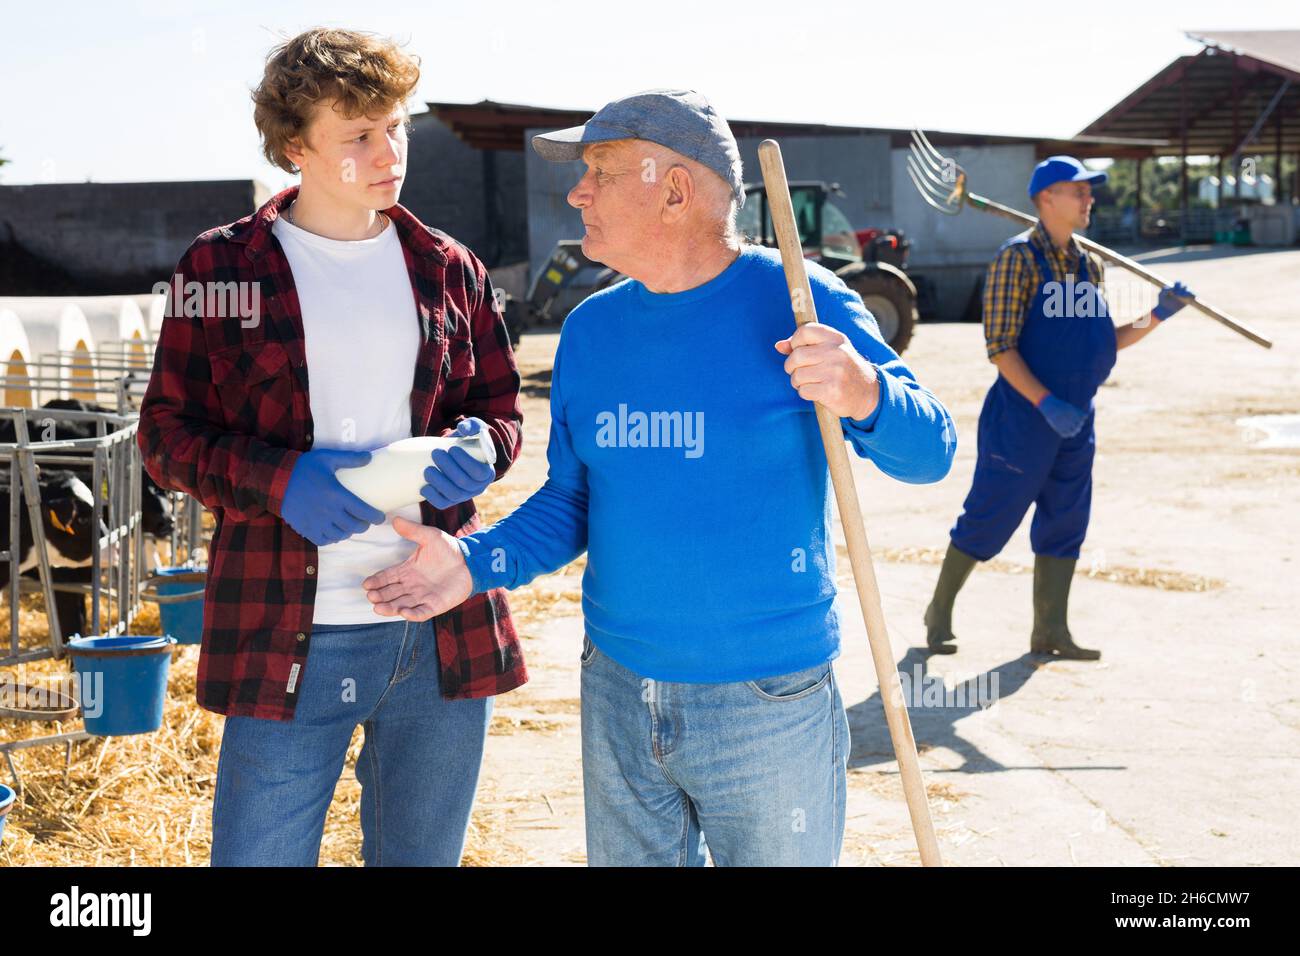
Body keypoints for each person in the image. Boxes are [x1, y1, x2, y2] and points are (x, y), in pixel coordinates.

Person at [359, 89, 957, 866]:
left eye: (600, 171)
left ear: (675, 189)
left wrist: (864, 392)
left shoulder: (801, 300)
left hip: (767, 700)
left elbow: (932, 451)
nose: (577, 192)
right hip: (617, 689)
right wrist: (474, 563)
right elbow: (573, 501)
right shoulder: (591, 330)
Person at [136, 27, 527, 866]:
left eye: (397, 127)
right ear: (294, 148)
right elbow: (165, 437)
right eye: (358, 135)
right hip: (288, 627)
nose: (389, 152)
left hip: (438, 620)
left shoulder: (449, 268)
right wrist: (279, 482)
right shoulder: (221, 266)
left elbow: (500, 408)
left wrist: (481, 448)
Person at [922, 156, 1194, 660]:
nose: (1089, 199)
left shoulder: (1088, 265)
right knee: (990, 515)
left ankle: (1051, 631)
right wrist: (1045, 401)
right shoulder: (1018, 260)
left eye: (1090, 192)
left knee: (1066, 520)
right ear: (1047, 198)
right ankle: (939, 611)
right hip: (1023, 417)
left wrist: (1156, 315)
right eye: (1079, 191)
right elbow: (1000, 347)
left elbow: (1103, 342)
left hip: (1077, 418)